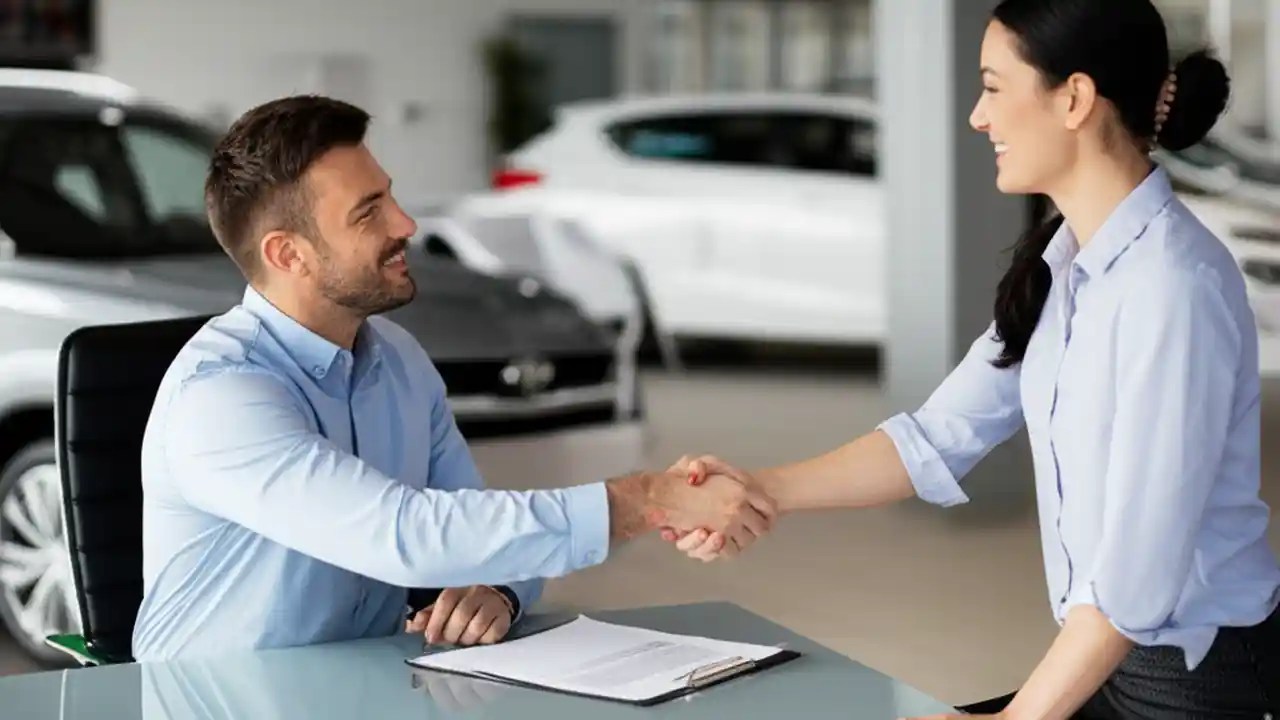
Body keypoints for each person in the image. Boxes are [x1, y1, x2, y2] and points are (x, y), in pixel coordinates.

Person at [664, 0, 1280, 717]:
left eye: (992, 86)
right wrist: (757, 489)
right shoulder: (1062, 268)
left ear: (1074, 98)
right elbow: (934, 439)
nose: (977, 118)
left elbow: (1134, 583)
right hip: (1107, 659)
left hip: (1202, 686)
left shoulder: (1173, 289)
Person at [131, 95, 776, 661]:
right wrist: (645, 500)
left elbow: (472, 525)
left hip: (359, 688)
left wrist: (497, 589)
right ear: (287, 254)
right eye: (369, 212)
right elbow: (401, 534)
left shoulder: (401, 361)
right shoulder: (220, 397)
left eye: (391, 197)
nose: (406, 225)